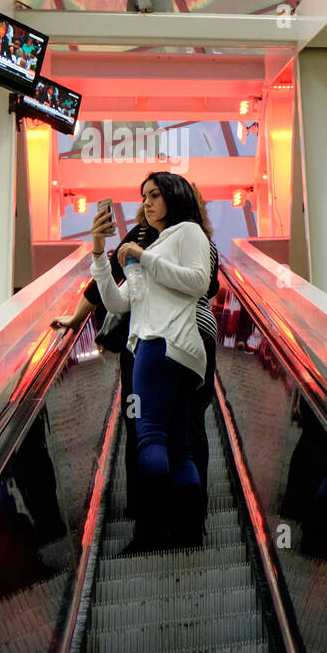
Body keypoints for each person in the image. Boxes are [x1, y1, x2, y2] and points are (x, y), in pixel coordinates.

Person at [90, 172, 211, 551]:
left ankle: (151, 533)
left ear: (174, 196)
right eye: (143, 196)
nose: (146, 202)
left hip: (159, 346)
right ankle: (187, 534)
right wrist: (99, 254)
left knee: (151, 439)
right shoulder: (158, 244)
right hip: (171, 350)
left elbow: (198, 281)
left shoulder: (188, 231)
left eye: (155, 194)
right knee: (178, 445)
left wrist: (142, 257)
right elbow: (119, 303)